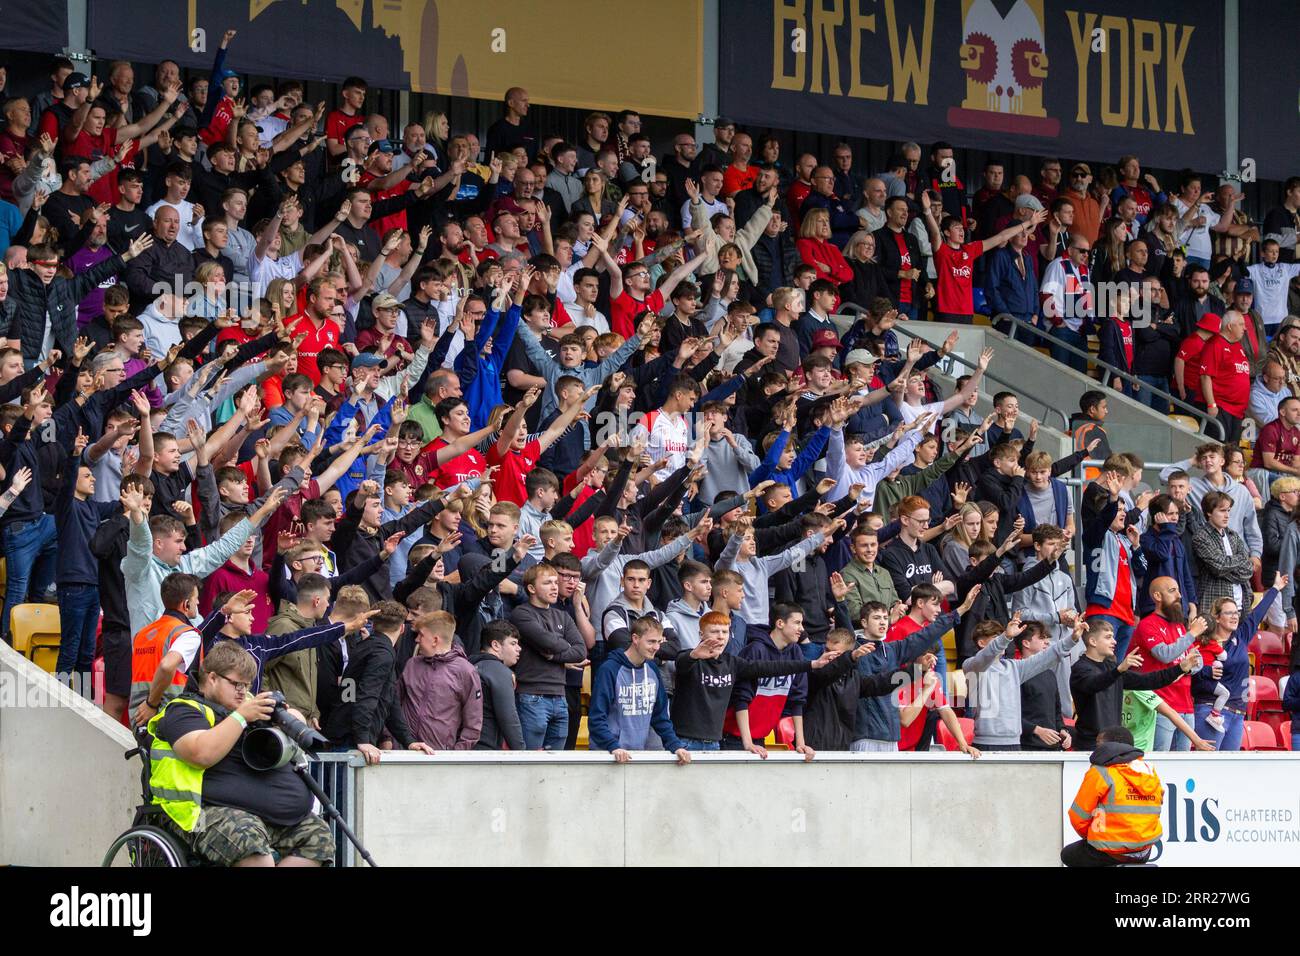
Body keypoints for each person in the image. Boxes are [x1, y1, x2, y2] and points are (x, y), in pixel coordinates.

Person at [145, 640, 336, 867]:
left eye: (246, 686)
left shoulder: (247, 705)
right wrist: (241, 717)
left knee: (318, 838)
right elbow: (200, 753)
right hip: (197, 815)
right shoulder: (183, 710)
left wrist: (288, 716)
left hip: (261, 816)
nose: (242, 692)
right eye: (236, 684)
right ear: (212, 677)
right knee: (252, 847)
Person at [588, 617, 691, 764]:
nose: (656, 647)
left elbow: (660, 716)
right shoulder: (609, 669)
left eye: (659, 642)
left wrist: (675, 745)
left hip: (636, 753)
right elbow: (597, 717)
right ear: (635, 638)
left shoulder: (652, 669)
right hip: (607, 754)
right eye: (651, 642)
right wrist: (613, 746)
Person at [1062, 726, 1163, 867]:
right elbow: (1156, 810)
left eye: (1098, 745)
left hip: (1110, 850)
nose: (1095, 749)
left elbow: (1078, 816)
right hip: (1144, 850)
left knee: (1067, 855)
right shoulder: (1148, 771)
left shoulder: (1101, 772)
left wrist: (1094, 837)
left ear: (1108, 746)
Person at [471, 620, 525, 751]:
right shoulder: (498, 671)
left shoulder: (468, 666)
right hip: (486, 749)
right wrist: (522, 752)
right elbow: (508, 718)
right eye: (513, 643)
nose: (519, 649)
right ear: (495, 645)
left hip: (462, 746)